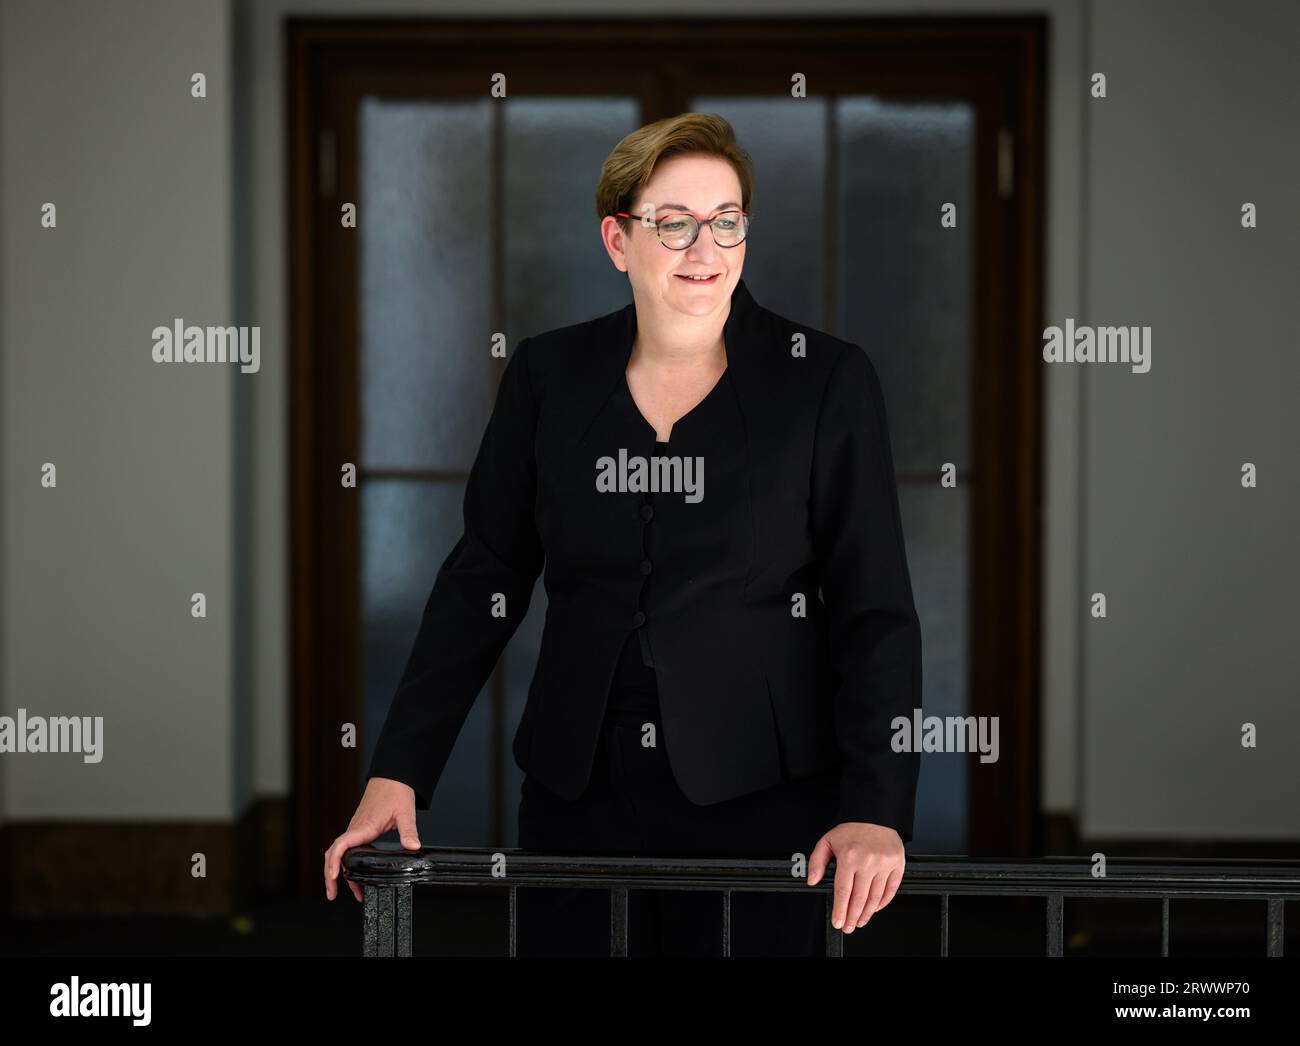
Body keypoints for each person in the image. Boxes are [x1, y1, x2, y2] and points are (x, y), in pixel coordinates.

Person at [325, 112, 922, 956]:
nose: (704, 249)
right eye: (673, 223)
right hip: (578, 797)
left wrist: (876, 806)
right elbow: (482, 579)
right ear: (618, 239)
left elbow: (875, 610)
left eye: (726, 221)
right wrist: (399, 768)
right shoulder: (546, 376)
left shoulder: (824, 381)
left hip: (763, 798)